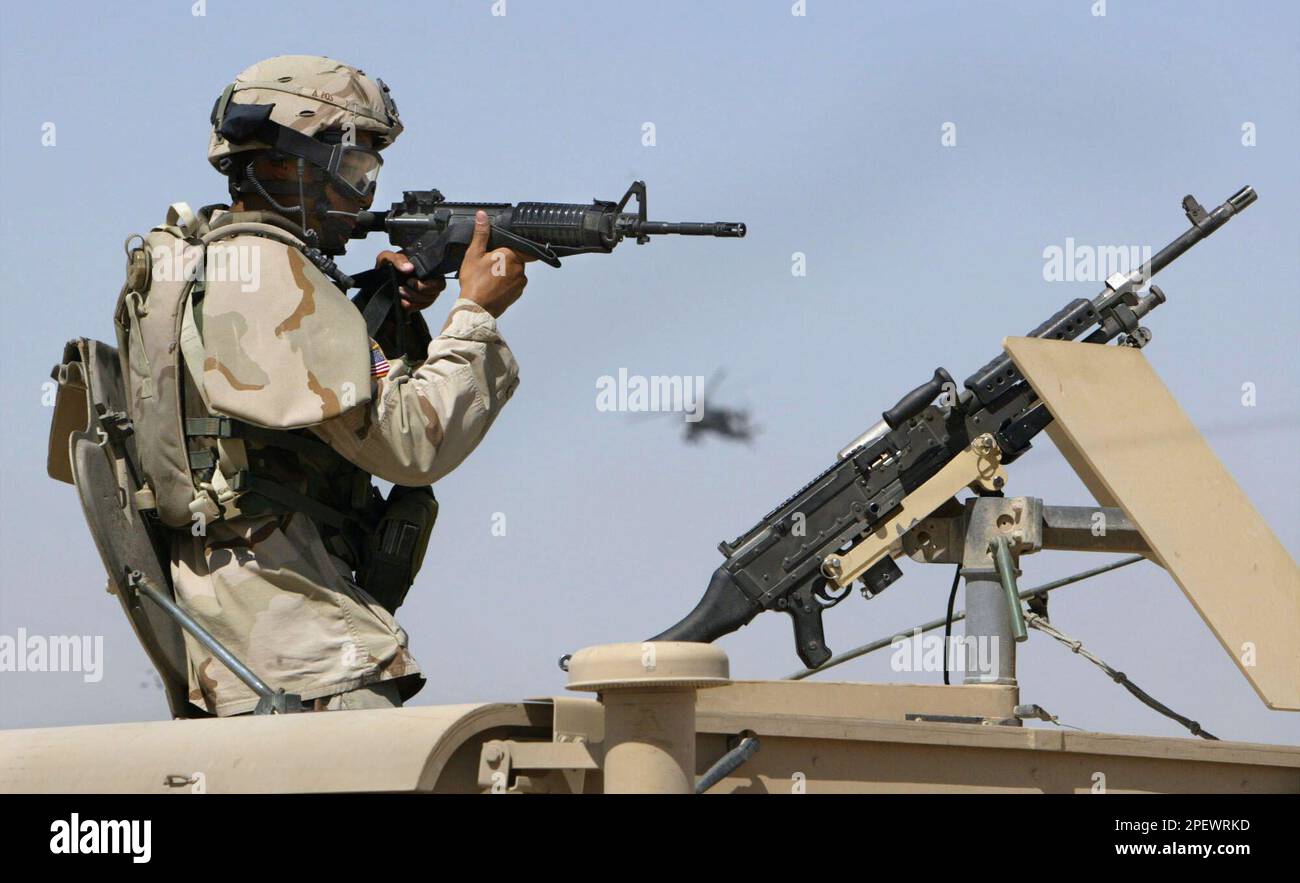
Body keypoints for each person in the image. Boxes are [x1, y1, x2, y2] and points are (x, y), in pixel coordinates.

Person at [124, 55, 531, 715]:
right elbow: (411, 445)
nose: (364, 196)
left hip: (251, 630)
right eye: (354, 170)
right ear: (288, 164)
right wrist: (476, 315)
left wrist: (389, 316)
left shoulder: (207, 262)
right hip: (305, 656)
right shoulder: (269, 275)